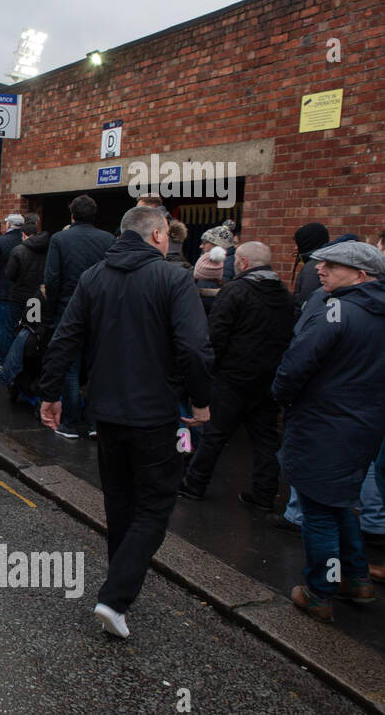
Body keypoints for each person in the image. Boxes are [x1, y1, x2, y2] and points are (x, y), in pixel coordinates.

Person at [38, 205, 213, 639]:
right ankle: (115, 597)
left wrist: (50, 393)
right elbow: (194, 349)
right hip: (156, 413)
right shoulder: (174, 278)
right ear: (156, 236)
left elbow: (66, 336)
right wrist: (203, 401)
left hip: (107, 411)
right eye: (167, 237)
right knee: (155, 505)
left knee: (119, 503)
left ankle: (118, 587)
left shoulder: (94, 277)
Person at [271, 241, 385, 621]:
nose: (321, 270)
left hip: (322, 424)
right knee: (340, 503)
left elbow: (297, 363)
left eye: (333, 266)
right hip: (363, 426)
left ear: (361, 275)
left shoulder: (336, 310)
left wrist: (282, 396)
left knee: (317, 509)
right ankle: (356, 578)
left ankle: (320, 592)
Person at [177, 242, 295, 513]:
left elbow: (215, 336)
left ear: (242, 262)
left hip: (233, 376)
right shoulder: (283, 294)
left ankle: (194, 484)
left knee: (215, 433)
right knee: (265, 437)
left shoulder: (236, 291)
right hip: (268, 377)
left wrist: (206, 372)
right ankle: (264, 494)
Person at [41, 194, 114, 439]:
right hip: (100, 310)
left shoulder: (60, 239)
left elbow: (52, 278)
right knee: (97, 366)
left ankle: (71, 423)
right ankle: (94, 423)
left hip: (67, 308)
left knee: (69, 366)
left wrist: (50, 312)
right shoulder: (108, 239)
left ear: (72, 216)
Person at [0, 212, 26, 364]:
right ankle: (20, 359)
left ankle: (3, 360)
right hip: (29, 294)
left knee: (5, 326)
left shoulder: (1, 242)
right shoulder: (26, 241)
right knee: (26, 325)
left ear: (8, 225)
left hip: (4, 291)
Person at [4, 219, 49, 320]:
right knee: (32, 327)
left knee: (14, 327)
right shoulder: (46, 250)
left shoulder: (18, 250)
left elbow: (10, 274)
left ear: (23, 234)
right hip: (36, 296)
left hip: (18, 296)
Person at [291, 222, 330, 307]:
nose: (295, 248)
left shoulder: (312, 268)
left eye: (298, 244)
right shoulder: (327, 261)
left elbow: (304, 302)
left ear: (307, 243)